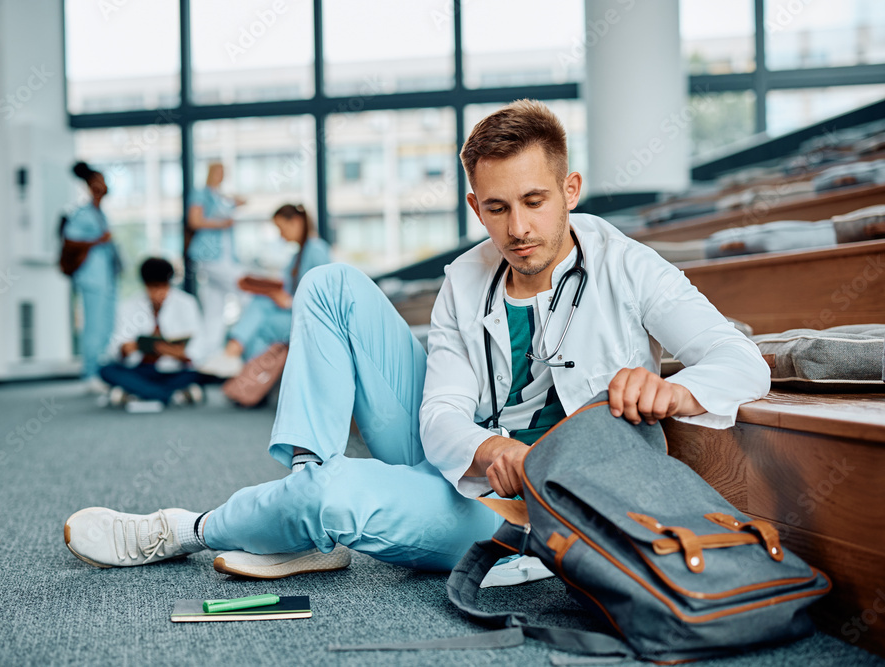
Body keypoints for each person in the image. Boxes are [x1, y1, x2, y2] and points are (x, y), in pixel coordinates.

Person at [64, 101, 770, 581]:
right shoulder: (466, 278)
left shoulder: (627, 265)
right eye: (498, 208)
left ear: (570, 189)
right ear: (475, 206)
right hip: (465, 461)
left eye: (534, 201)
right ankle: (307, 508)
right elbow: (440, 414)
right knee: (331, 284)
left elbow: (741, 361)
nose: (519, 228)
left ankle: (187, 528)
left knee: (335, 493)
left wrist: (672, 389)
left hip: (516, 516)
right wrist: (486, 448)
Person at [201, 204, 332, 378]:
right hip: (294, 314)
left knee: (260, 323)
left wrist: (288, 302)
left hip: (309, 320)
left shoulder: (316, 250)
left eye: (281, 228)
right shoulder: (297, 256)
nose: (281, 235)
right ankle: (245, 371)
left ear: (296, 222)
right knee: (260, 304)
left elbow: (323, 297)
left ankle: (236, 359)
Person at [99, 258, 208, 413]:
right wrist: (126, 349)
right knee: (106, 370)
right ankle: (172, 394)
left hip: (174, 370)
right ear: (145, 285)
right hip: (142, 369)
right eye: (153, 288)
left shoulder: (187, 303)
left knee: (200, 373)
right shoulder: (129, 305)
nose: (159, 294)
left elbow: (199, 348)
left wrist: (178, 354)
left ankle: (138, 393)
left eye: (163, 287)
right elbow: (115, 349)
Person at [63, 162, 121, 394]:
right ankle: (90, 374)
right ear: (90, 185)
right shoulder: (82, 213)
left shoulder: (100, 214)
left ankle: (102, 371)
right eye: (99, 181)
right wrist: (98, 240)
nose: (104, 186)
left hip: (106, 277)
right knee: (94, 327)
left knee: (106, 326)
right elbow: (69, 240)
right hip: (92, 277)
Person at [187, 162, 247, 357]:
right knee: (247, 290)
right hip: (211, 257)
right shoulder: (201, 194)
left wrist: (229, 198)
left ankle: (205, 358)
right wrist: (222, 224)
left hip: (226, 256)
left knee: (214, 313)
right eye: (218, 171)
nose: (221, 175)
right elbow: (194, 221)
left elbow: (243, 200)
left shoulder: (220, 197)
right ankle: (245, 342)